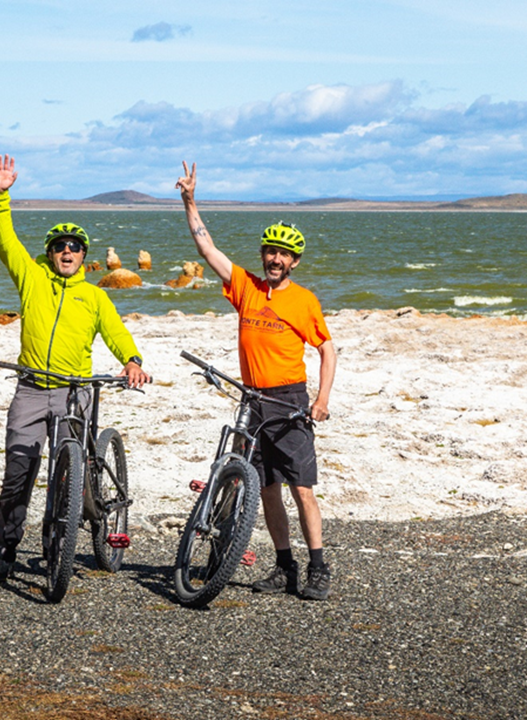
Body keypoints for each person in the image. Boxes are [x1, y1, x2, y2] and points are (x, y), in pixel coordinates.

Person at [176, 161, 337, 601]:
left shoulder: (304, 301)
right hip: (251, 400)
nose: (275, 258)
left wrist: (321, 400)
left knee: (301, 488)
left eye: (284, 254)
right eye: (270, 251)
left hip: (289, 401)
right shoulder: (246, 286)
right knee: (265, 488)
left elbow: (327, 349)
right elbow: (207, 249)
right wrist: (190, 201)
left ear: (295, 262)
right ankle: (284, 566)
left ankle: (318, 566)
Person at [0, 155, 150, 581]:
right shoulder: (31, 276)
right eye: (60, 246)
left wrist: (131, 361)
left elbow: (115, 333)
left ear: (84, 257)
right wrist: (0, 196)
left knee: (67, 477)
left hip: (75, 392)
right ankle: (4, 549)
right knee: (17, 474)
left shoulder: (94, 297)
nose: (67, 252)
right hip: (31, 389)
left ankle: (55, 545)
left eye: (75, 248)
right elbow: (5, 241)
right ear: (50, 252)